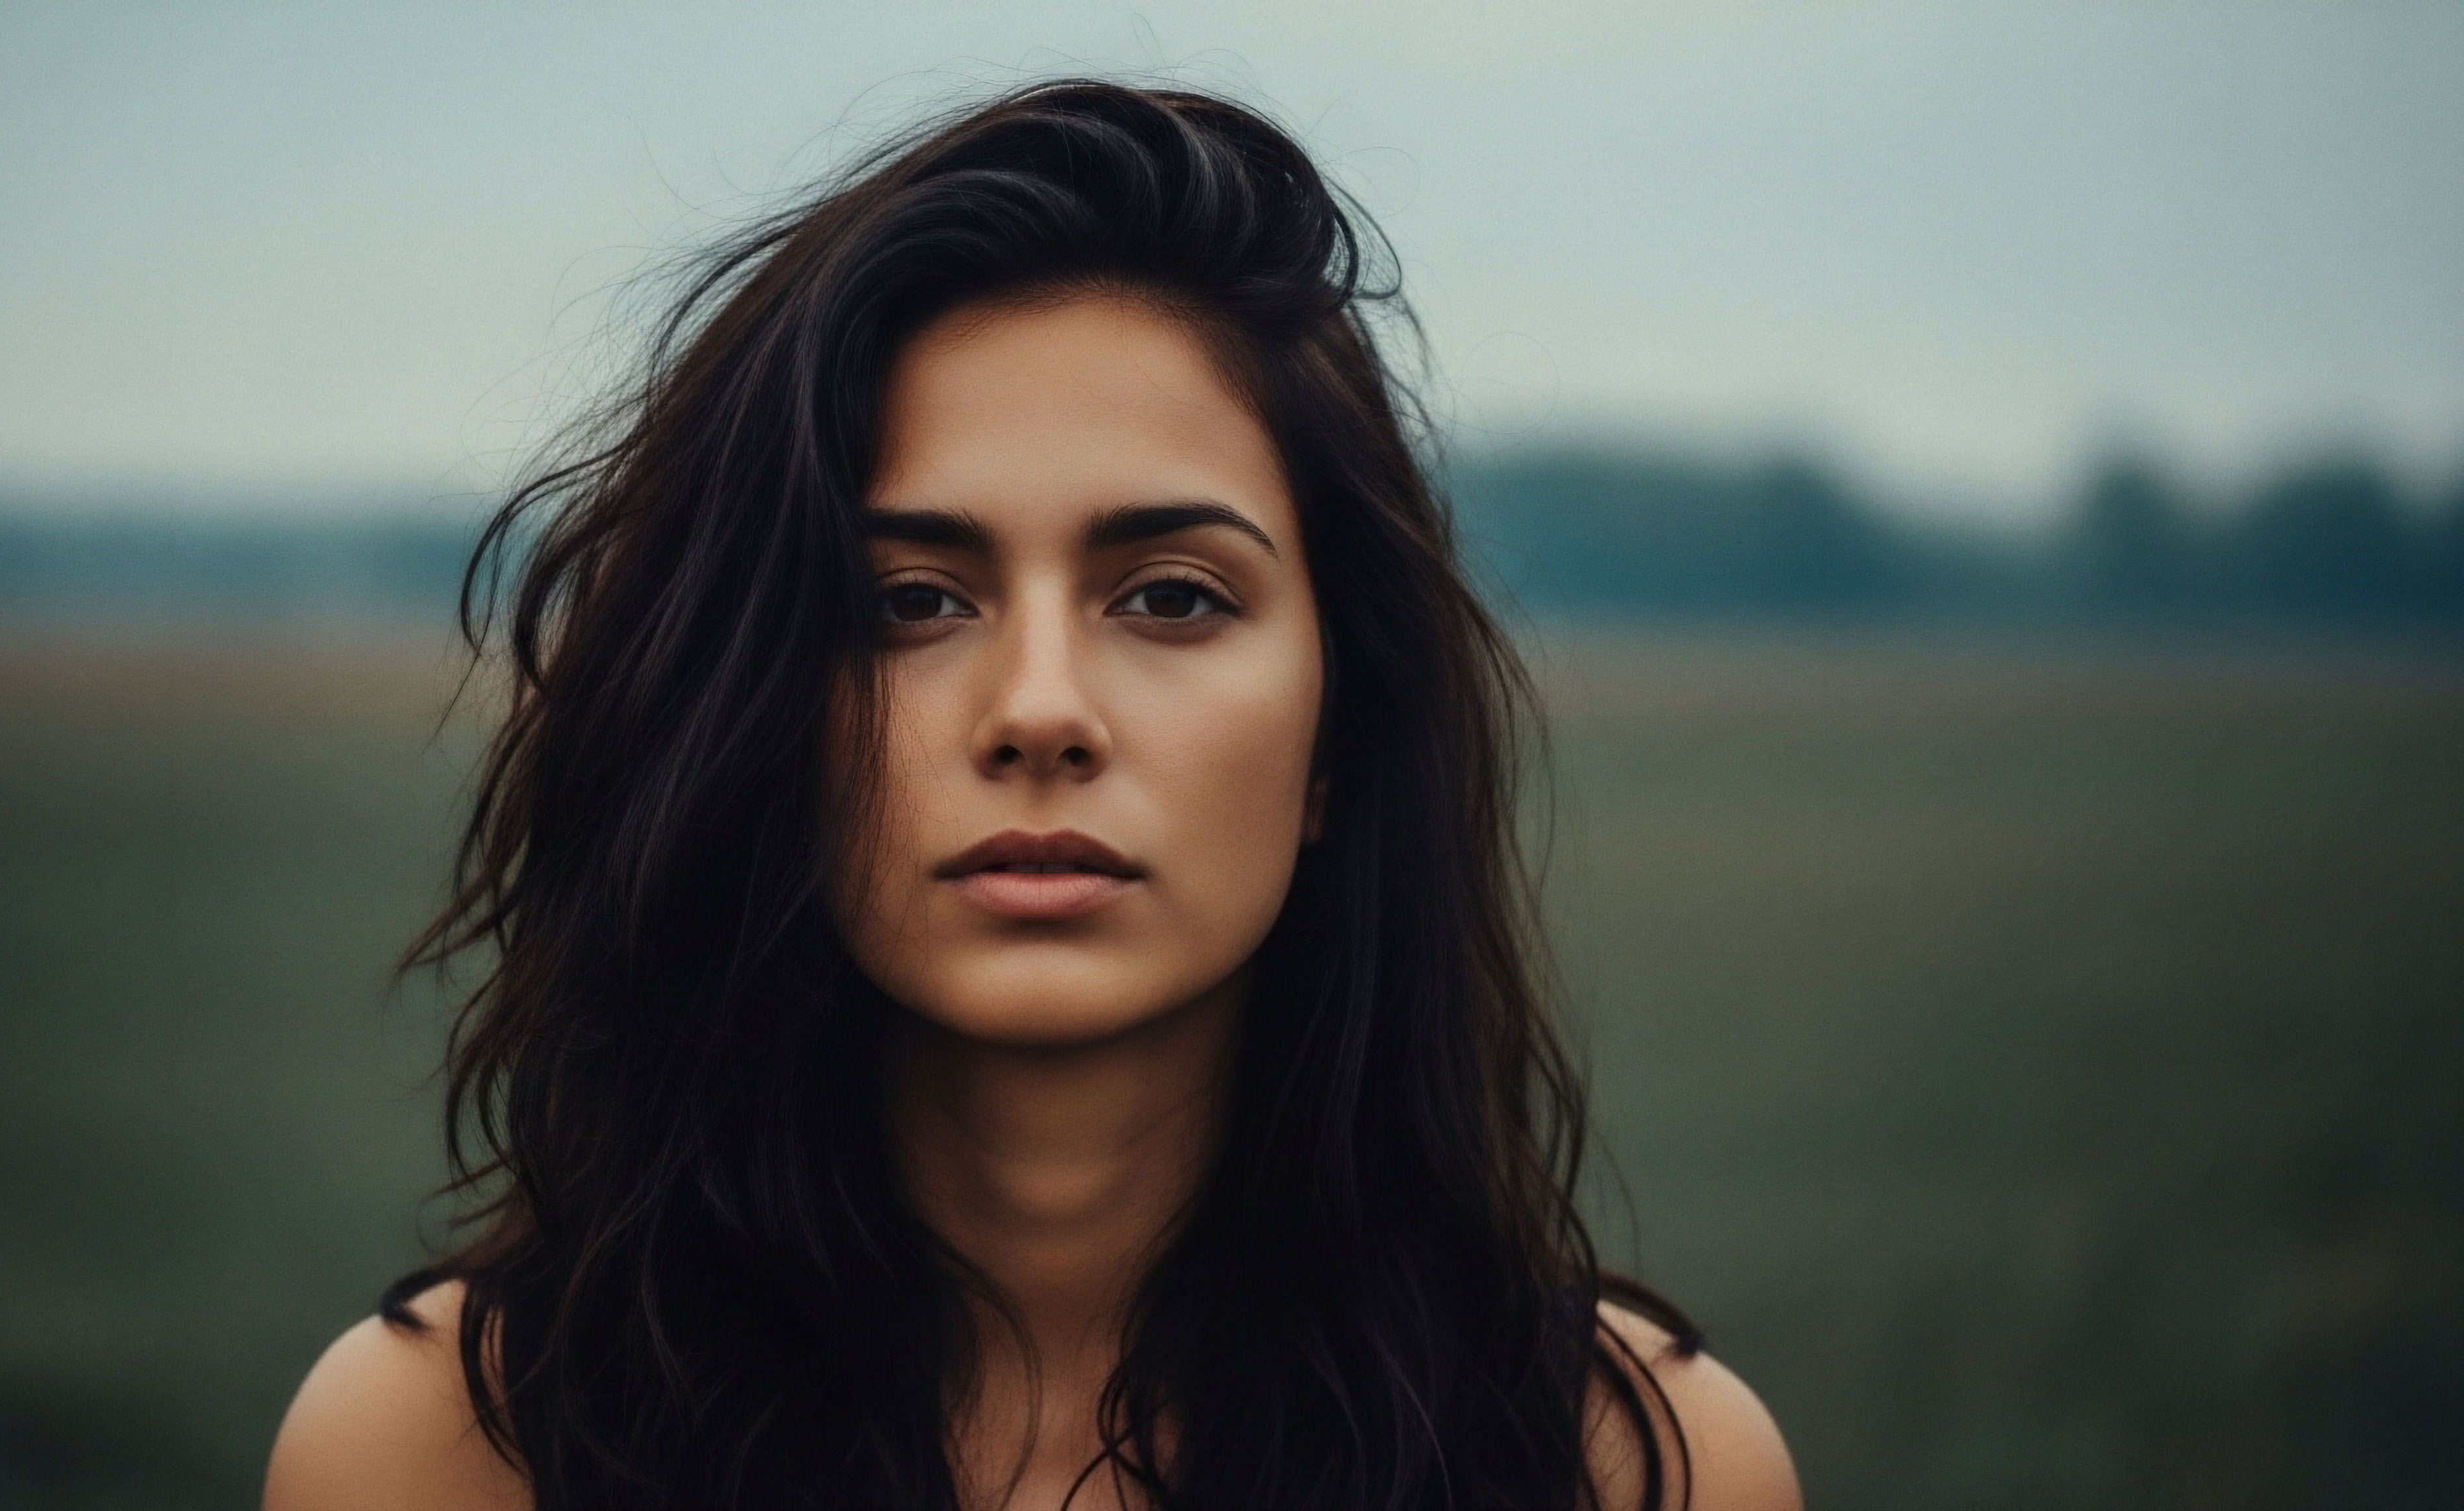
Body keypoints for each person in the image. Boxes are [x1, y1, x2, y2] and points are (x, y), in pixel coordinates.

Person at [263, 80, 1799, 1511]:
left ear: (1343, 732)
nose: (1042, 713)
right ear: (747, 707)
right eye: (910, 603)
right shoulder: (449, 1449)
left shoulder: (1634, 1467)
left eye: (1176, 598)